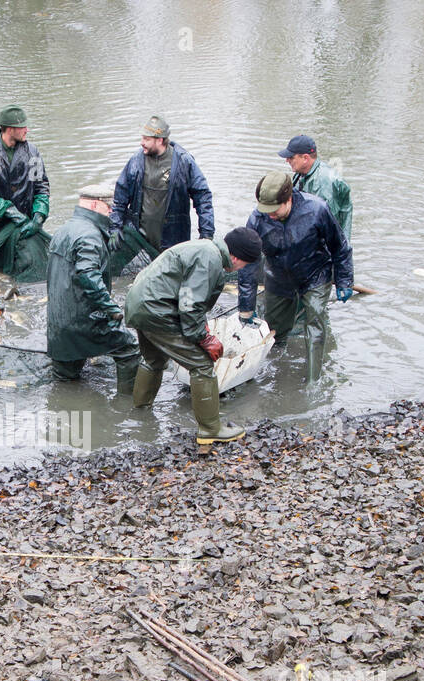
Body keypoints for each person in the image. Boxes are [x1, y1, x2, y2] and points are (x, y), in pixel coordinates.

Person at [127, 228, 263, 444]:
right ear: (236, 257)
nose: (241, 269)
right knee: (201, 365)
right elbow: (190, 305)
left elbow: (187, 298)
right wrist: (204, 339)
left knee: (154, 360)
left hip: (139, 305)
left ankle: (141, 413)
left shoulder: (204, 248)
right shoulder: (210, 260)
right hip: (157, 310)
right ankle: (210, 429)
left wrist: (202, 330)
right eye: (244, 265)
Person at [237, 170, 353, 382]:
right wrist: (246, 305)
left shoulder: (317, 209)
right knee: (274, 331)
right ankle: (273, 375)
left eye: (274, 210)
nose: (269, 215)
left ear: (288, 199)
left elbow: (340, 246)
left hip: (315, 275)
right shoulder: (257, 219)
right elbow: (248, 263)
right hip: (278, 277)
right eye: (266, 210)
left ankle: (313, 381)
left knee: (315, 322)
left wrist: (344, 280)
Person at [45, 182, 139, 395]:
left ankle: (64, 412)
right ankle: (127, 408)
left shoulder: (64, 229)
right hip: (85, 321)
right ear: (96, 206)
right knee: (129, 349)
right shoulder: (90, 235)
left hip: (58, 325)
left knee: (65, 379)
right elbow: (88, 275)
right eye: (109, 209)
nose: (111, 214)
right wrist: (110, 308)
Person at [110, 115, 214, 253]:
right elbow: (119, 199)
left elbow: (203, 197)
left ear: (160, 140)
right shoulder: (136, 161)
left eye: (147, 139)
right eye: (142, 138)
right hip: (139, 239)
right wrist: (115, 228)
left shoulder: (184, 161)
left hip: (174, 240)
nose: (142, 143)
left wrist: (206, 233)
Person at [0, 105, 50, 251]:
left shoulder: (32, 152)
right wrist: (10, 211)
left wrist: (39, 215)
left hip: (25, 229)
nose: (27, 130)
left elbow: (41, 188)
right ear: (9, 129)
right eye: (22, 127)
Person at [279, 134, 352, 240]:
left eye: (291, 157)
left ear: (305, 158)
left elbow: (324, 222)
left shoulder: (323, 182)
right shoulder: (303, 173)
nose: (287, 160)